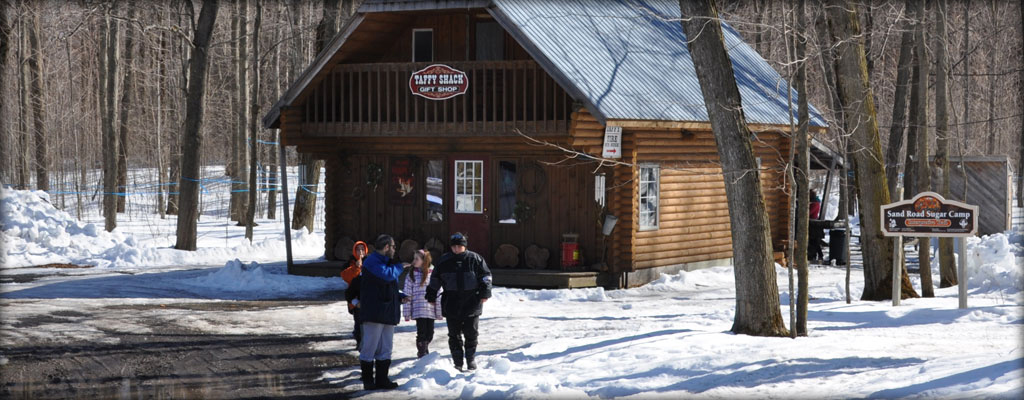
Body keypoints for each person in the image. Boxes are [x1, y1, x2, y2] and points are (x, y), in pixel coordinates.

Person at [425, 232, 492, 371]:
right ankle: (458, 362)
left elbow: (486, 276)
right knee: (454, 335)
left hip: (472, 302)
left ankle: (471, 359)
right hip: (451, 302)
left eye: (459, 246)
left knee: (471, 333)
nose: (456, 249)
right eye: (453, 246)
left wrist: (485, 292)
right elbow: (435, 279)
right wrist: (431, 295)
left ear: (465, 246)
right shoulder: (444, 261)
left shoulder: (475, 259)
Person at [358, 234, 407, 390]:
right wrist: (400, 267)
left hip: (387, 311)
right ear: (386, 247)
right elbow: (386, 276)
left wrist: (399, 297)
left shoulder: (386, 263)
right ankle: (368, 381)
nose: (394, 250)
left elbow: (387, 286)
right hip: (374, 312)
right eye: (393, 247)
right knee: (369, 347)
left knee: (386, 348)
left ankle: (382, 380)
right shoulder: (372, 261)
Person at [402, 249, 443, 358]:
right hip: (418, 309)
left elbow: (438, 292)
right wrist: (407, 312)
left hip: (430, 309)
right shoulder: (411, 275)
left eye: (417, 259)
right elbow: (407, 293)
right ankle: (422, 353)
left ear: (424, 261)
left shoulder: (433, 274)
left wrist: (439, 311)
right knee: (422, 332)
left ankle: (425, 349)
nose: (414, 261)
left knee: (430, 333)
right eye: (414, 258)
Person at [342, 241, 368, 351]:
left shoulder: (370, 262)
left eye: (362, 249)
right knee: (358, 321)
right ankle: (360, 342)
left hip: (368, 296)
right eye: (358, 249)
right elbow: (346, 277)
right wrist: (356, 267)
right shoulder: (350, 263)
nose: (360, 252)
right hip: (355, 297)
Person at [808, 190, 825, 262]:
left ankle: (818, 255)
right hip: (813, 223)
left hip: (814, 224)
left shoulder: (815, 203)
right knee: (814, 241)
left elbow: (809, 213)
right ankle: (815, 255)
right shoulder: (814, 202)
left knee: (815, 241)